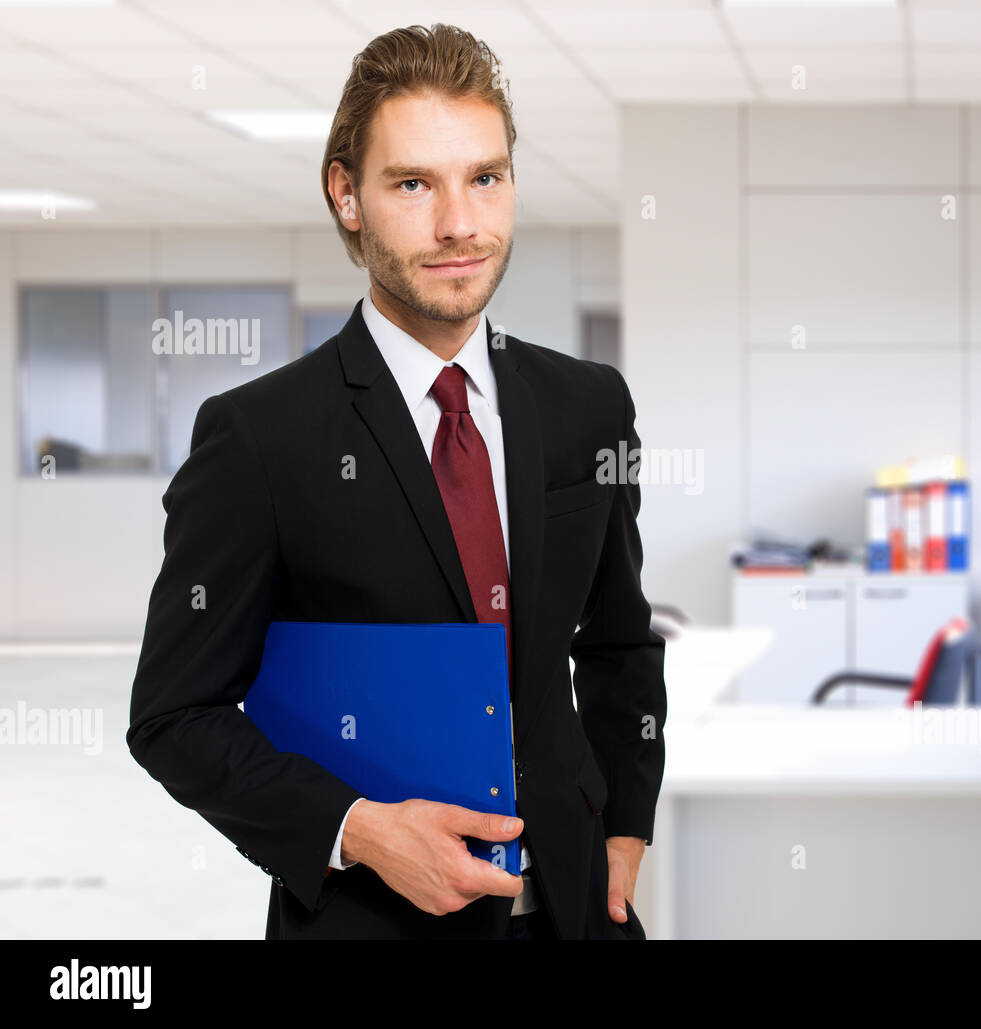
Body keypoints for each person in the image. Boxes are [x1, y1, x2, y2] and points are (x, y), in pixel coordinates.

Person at [126, 23, 666, 940]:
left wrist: (626, 818)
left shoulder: (589, 408)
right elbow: (175, 715)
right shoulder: (260, 439)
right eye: (414, 183)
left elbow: (618, 640)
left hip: (576, 916)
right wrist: (359, 830)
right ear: (347, 195)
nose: (460, 224)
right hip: (367, 922)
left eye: (485, 178)